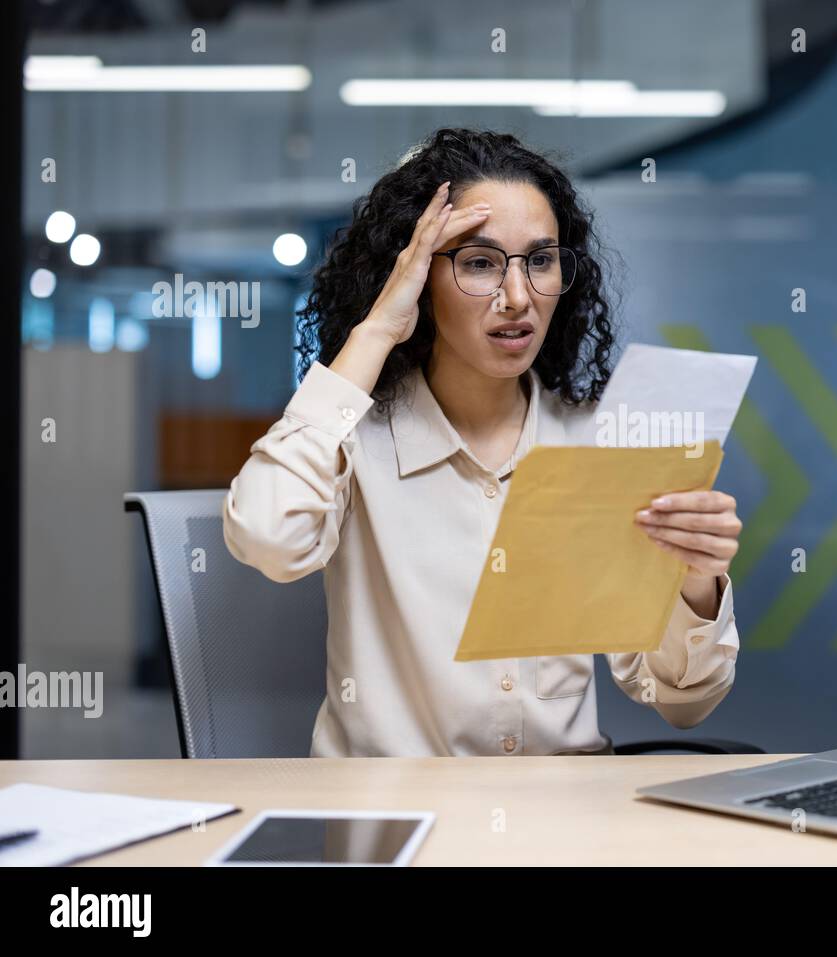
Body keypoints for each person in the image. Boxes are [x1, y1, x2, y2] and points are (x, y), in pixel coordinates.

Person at [222, 128, 742, 757]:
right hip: (401, 830)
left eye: (541, 260)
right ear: (415, 278)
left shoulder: (601, 441)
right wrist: (379, 327)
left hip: (565, 828)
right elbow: (269, 539)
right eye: (478, 263)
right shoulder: (350, 440)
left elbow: (683, 703)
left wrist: (695, 581)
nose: (518, 297)